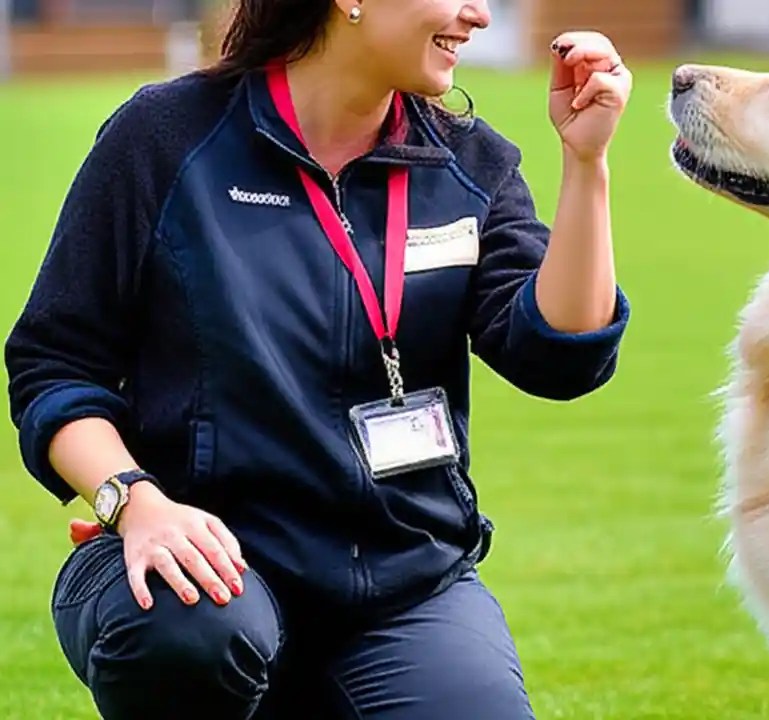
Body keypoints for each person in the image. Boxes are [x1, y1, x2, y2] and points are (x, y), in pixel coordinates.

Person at [3, 0, 632, 717]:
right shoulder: (164, 139)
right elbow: (56, 364)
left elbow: (557, 358)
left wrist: (588, 164)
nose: (478, 13)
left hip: (404, 586)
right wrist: (135, 502)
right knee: (188, 635)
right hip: (201, 572)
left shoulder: (468, 165)